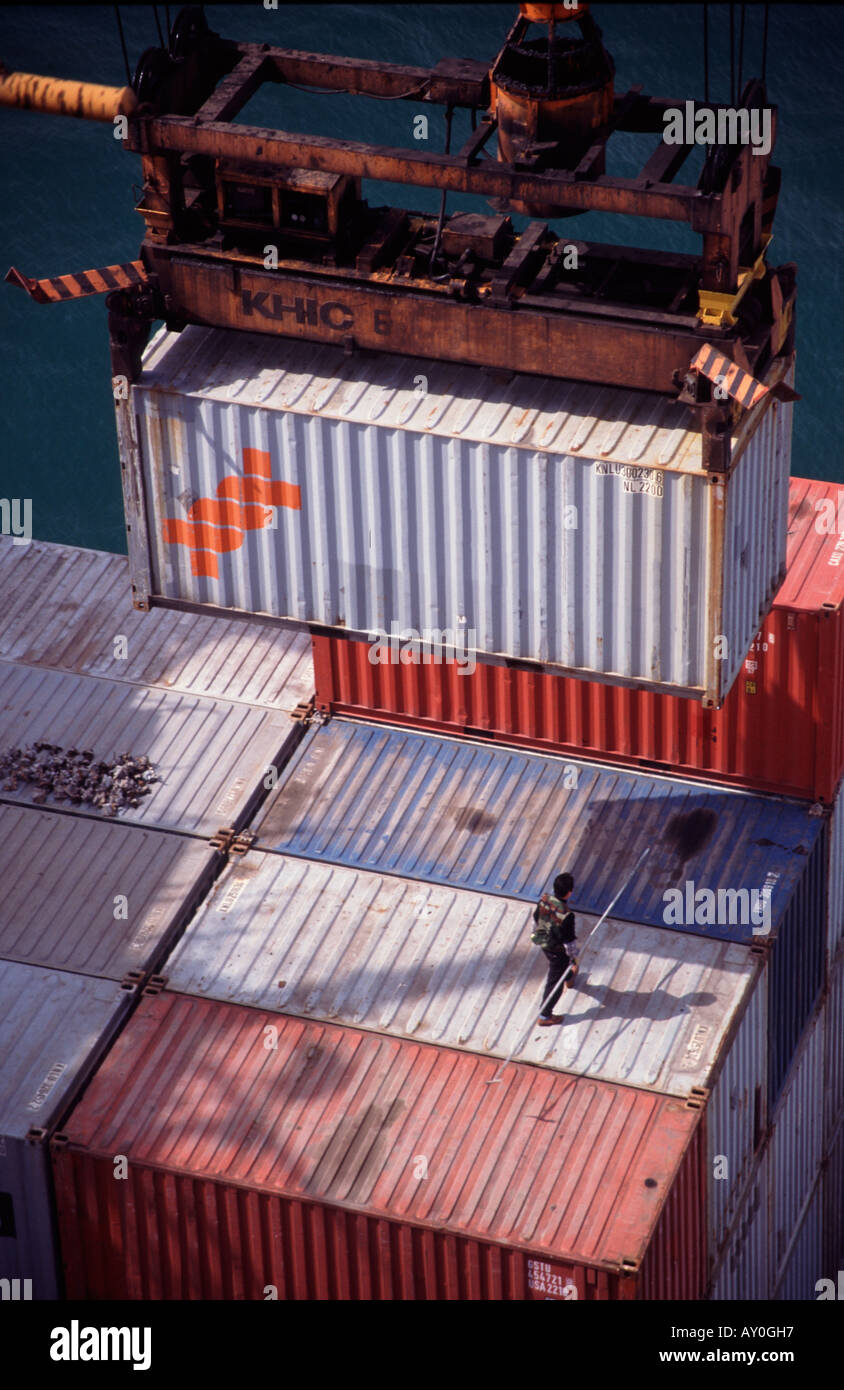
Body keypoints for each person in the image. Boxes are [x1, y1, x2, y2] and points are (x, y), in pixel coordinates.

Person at [531, 871, 579, 1027]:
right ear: (570, 892)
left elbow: (535, 919)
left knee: (562, 969)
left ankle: (570, 976)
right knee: (554, 984)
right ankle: (545, 1016)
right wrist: (573, 958)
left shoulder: (544, 900)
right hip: (557, 951)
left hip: (544, 942)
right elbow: (569, 942)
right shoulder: (567, 915)